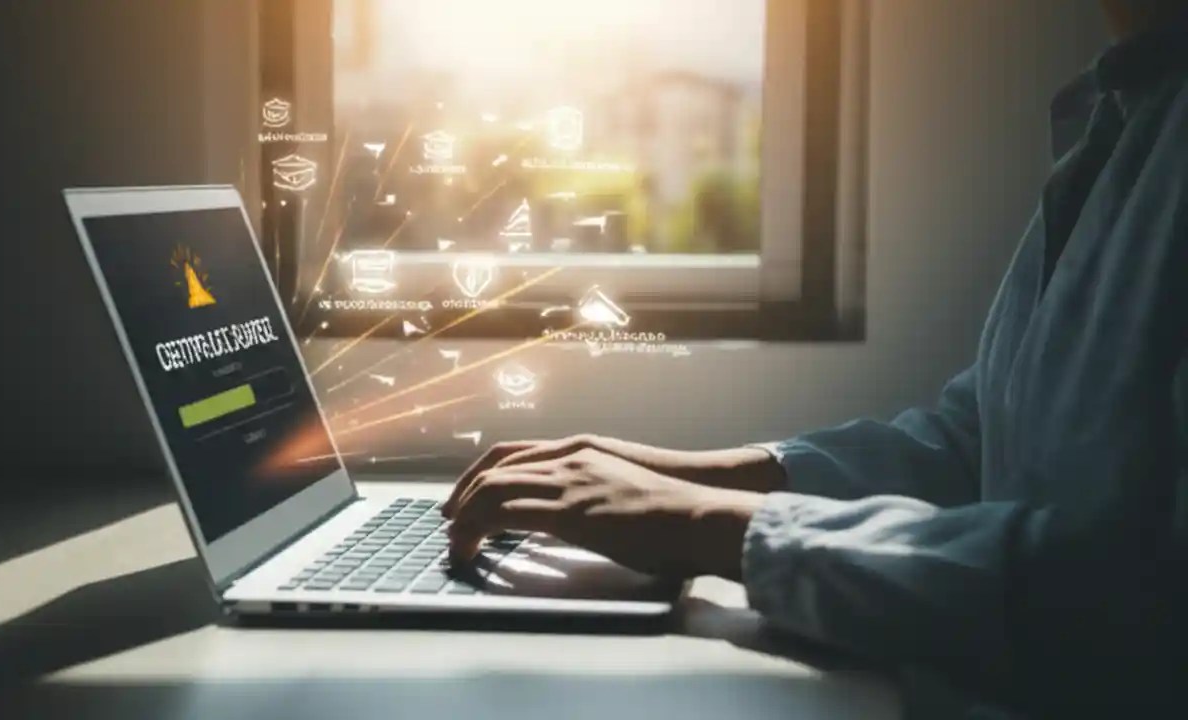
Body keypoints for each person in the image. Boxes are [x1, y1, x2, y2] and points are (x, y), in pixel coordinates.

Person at [443, 1, 1186, 715]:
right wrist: (688, 473)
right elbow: (980, 445)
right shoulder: (1130, 111)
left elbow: (1143, 602)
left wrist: (707, 523)